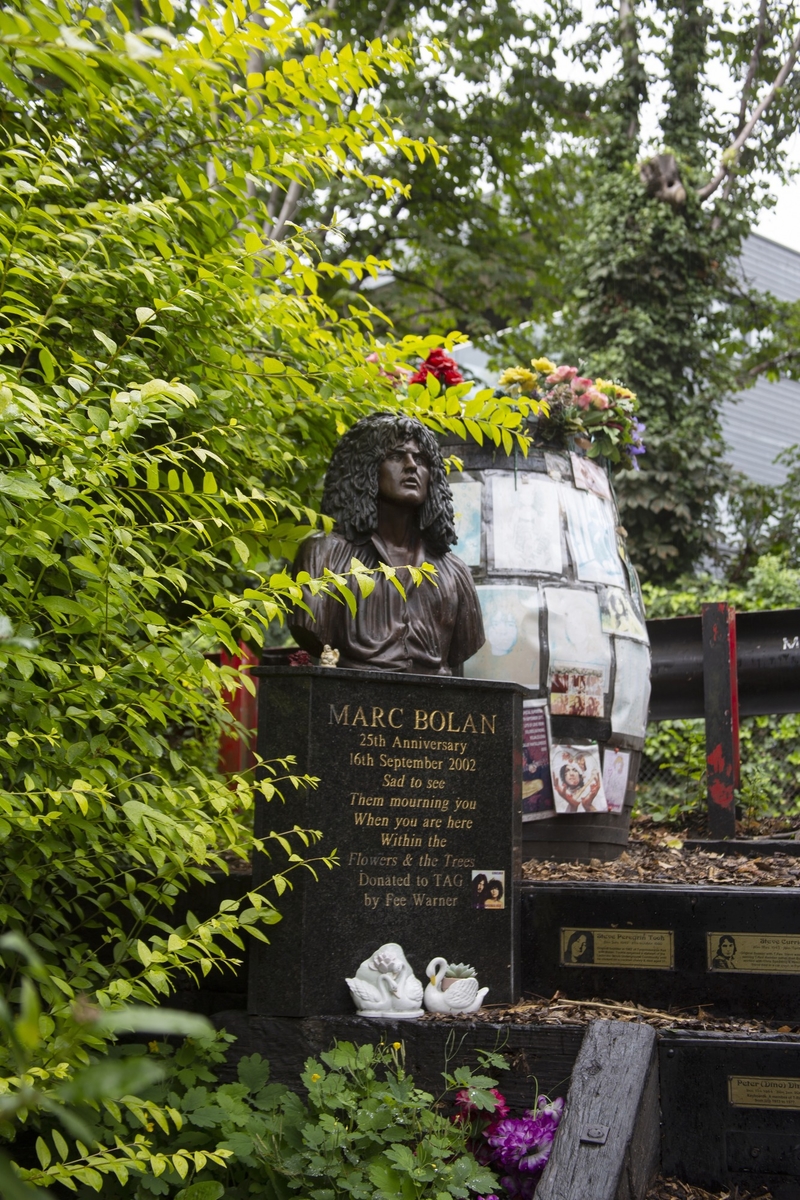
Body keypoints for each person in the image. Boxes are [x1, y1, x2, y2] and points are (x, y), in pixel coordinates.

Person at [289, 413, 485, 674]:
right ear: (365, 468)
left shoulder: (455, 572)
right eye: (395, 456)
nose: (412, 465)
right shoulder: (322, 557)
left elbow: (463, 647)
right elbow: (310, 629)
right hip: (349, 704)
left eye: (421, 459)